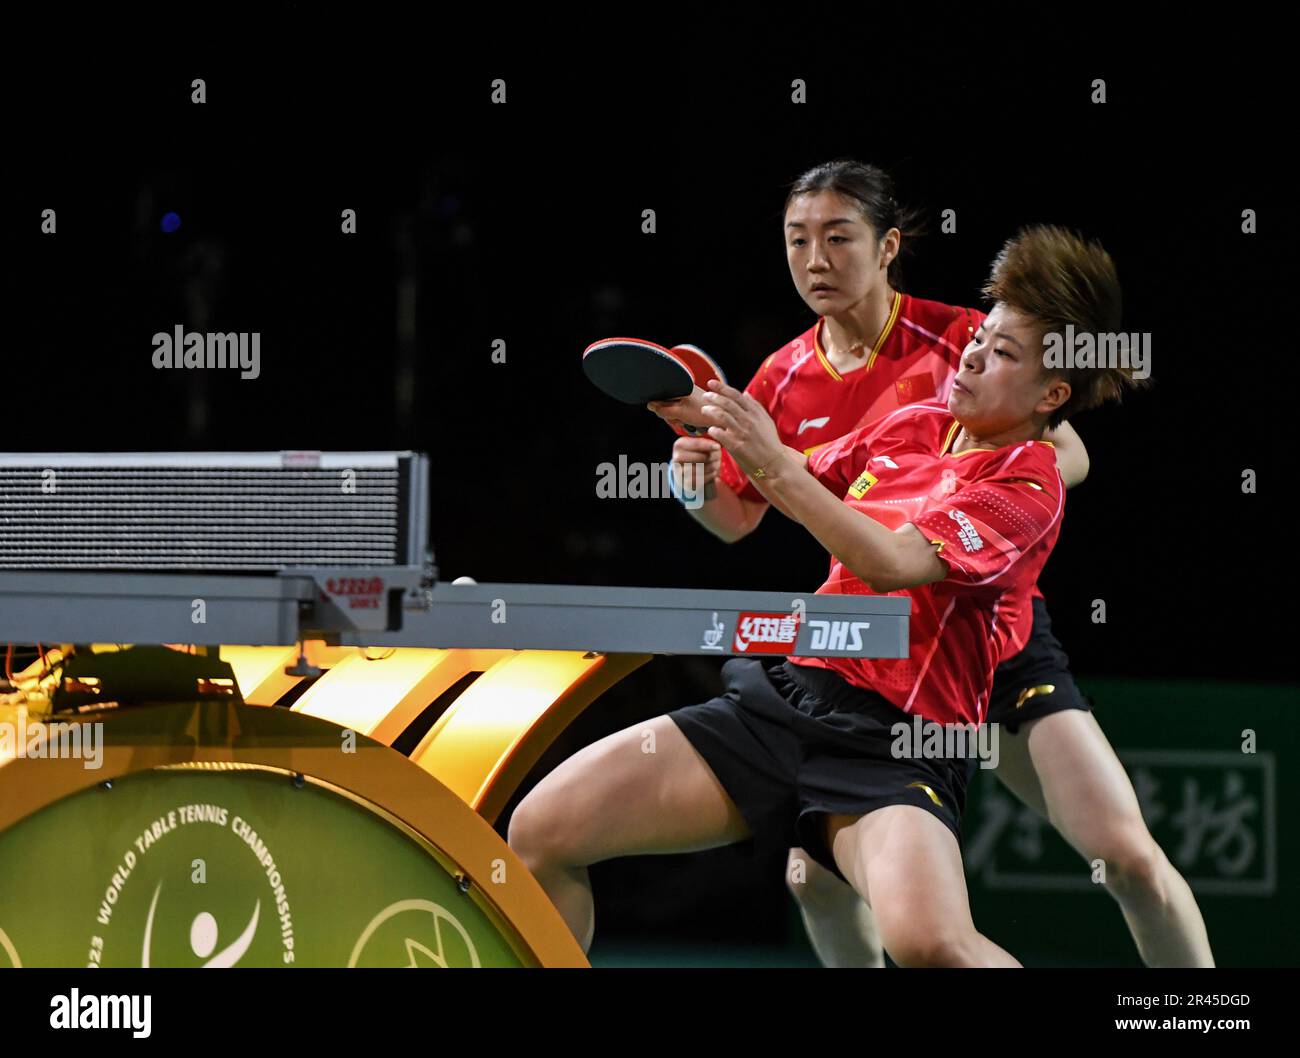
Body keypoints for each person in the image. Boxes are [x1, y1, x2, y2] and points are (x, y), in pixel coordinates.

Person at [509, 224, 1140, 966]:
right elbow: (772, 484)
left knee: (931, 944)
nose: (972, 353)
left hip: (893, 740)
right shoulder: (915, 425)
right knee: (540, 832)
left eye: (1003, 354)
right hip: (784, 699)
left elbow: (891, 561)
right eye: (983, 337)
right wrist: (707, 439)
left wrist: (774, 463)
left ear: (1053, 393)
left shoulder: (1026, 488)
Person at [652, 161, 1212, 968]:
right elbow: (740, 514)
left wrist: (975, 503)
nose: (815, 259)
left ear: (888, 248)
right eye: (797, 239)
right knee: (813, 876)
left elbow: (1066, 452)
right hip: (879, 654)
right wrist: (690, 479)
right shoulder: (781, 376)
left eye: (838, 238)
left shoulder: (960, 338)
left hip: (994, 634)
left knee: (1122, 854)